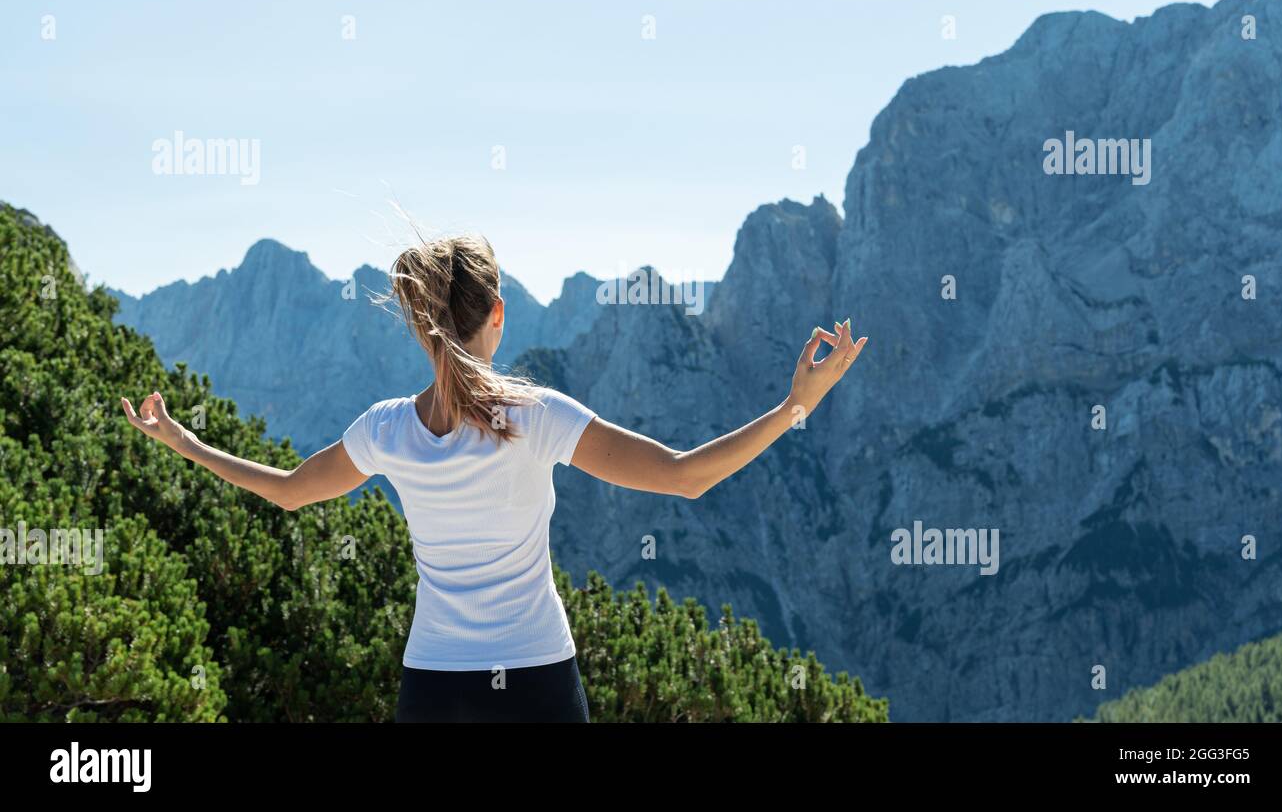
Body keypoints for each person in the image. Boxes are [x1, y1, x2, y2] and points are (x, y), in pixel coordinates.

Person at [121, 233, 867, 722]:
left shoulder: (384, 429)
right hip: (537, 681)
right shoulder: (536, 416)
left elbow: (286, 489)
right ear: (498, 315)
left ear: (421, 325)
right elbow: (682, 478)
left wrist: (184, 441)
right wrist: (793, 407)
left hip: (435, 688)